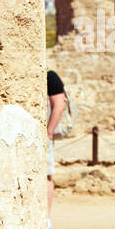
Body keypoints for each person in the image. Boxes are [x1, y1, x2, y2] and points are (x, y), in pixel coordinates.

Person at [46, 68, 66, 219]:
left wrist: (49, 132)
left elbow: (59, 106)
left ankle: (45, 218)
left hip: (44, 134)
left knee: (46, 176)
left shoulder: (50, 76)